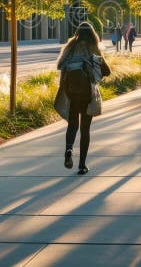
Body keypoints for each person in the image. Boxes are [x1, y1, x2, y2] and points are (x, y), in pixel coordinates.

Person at [57, 22, 111, 175]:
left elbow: (60, 65)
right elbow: (107, 71)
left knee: (72, 125)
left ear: (78, 33)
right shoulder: (93, 48)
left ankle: (68, 149)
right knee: (85, 129)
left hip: (71, 92)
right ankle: (82, 165)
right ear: (93, 34)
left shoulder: (71, 46)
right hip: (87, 93)